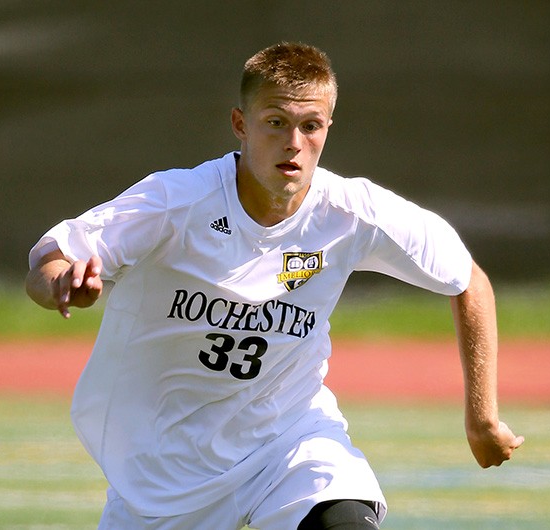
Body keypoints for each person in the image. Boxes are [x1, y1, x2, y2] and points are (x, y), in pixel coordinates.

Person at [26, 41, 523, 530]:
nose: (294, 143)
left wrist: (482, 417)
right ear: (241, 125)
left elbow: (467, 279)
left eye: (311, 126)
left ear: (328, 128)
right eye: (276, 122)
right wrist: (63, 283)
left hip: (288, 443)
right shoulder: (176, 202)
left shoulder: (352, 213)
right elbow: (50, 257)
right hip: (166, 471)